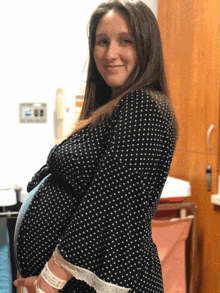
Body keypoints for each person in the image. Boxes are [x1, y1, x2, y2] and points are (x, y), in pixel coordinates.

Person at [14, 0, 177, 292]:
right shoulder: (113, 109)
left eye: (125, 41)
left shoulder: (144, 105)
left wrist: (49, 279)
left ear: (146, 46)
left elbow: (110, 200)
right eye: (102, 42)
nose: (110, 53)